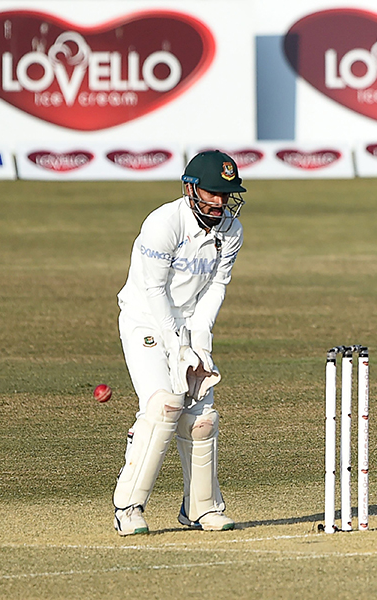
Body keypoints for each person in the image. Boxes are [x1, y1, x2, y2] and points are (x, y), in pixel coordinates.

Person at [112, 150, 245, 535]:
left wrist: (199, 343)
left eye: (225, 194)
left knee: (201, 420)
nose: (219, 201)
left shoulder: (231, 230)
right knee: (164, 406)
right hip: (145, 320)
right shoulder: (163, 224)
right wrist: (176, 345)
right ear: (190, 189)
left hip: (189, 326)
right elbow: (154, 290)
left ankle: (201, 507)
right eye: (212, 192)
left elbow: (216, 287)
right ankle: (128, 507)